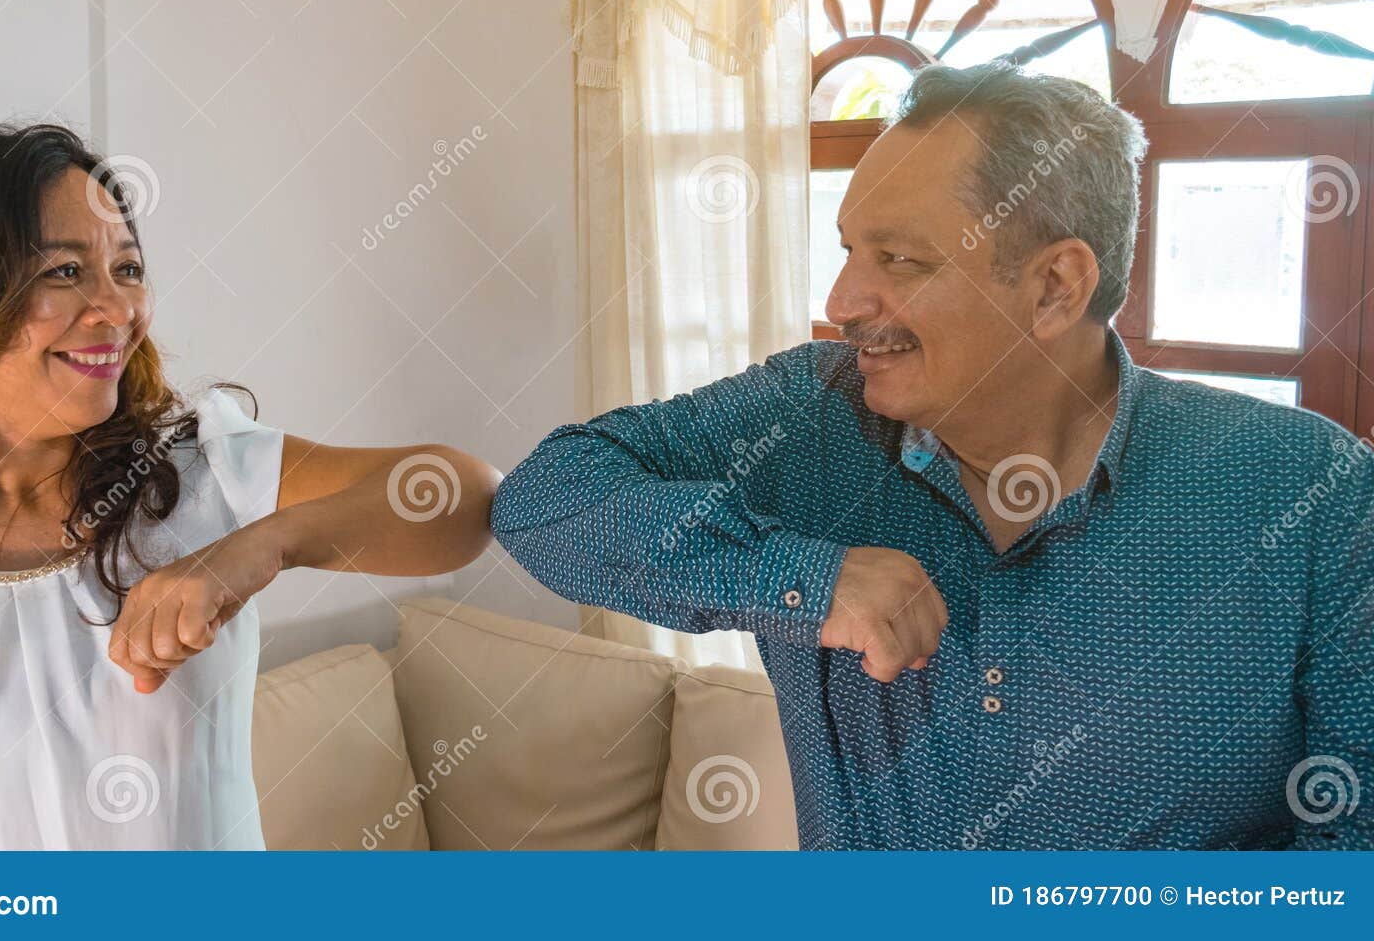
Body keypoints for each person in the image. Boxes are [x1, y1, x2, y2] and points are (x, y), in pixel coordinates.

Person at [492, 61, 1374, 850]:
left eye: (901, 259)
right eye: (847, 250)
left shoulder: (1314, 492)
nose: (841, 300)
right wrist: (801, 575)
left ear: (1055, 286)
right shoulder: (811, 411)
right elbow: (546, 497)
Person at [0, 124, 499, 850]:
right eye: (63, 272)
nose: (118, 310)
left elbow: (467, 494)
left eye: (126, 269)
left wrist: (262, 547)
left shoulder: (200, 477)